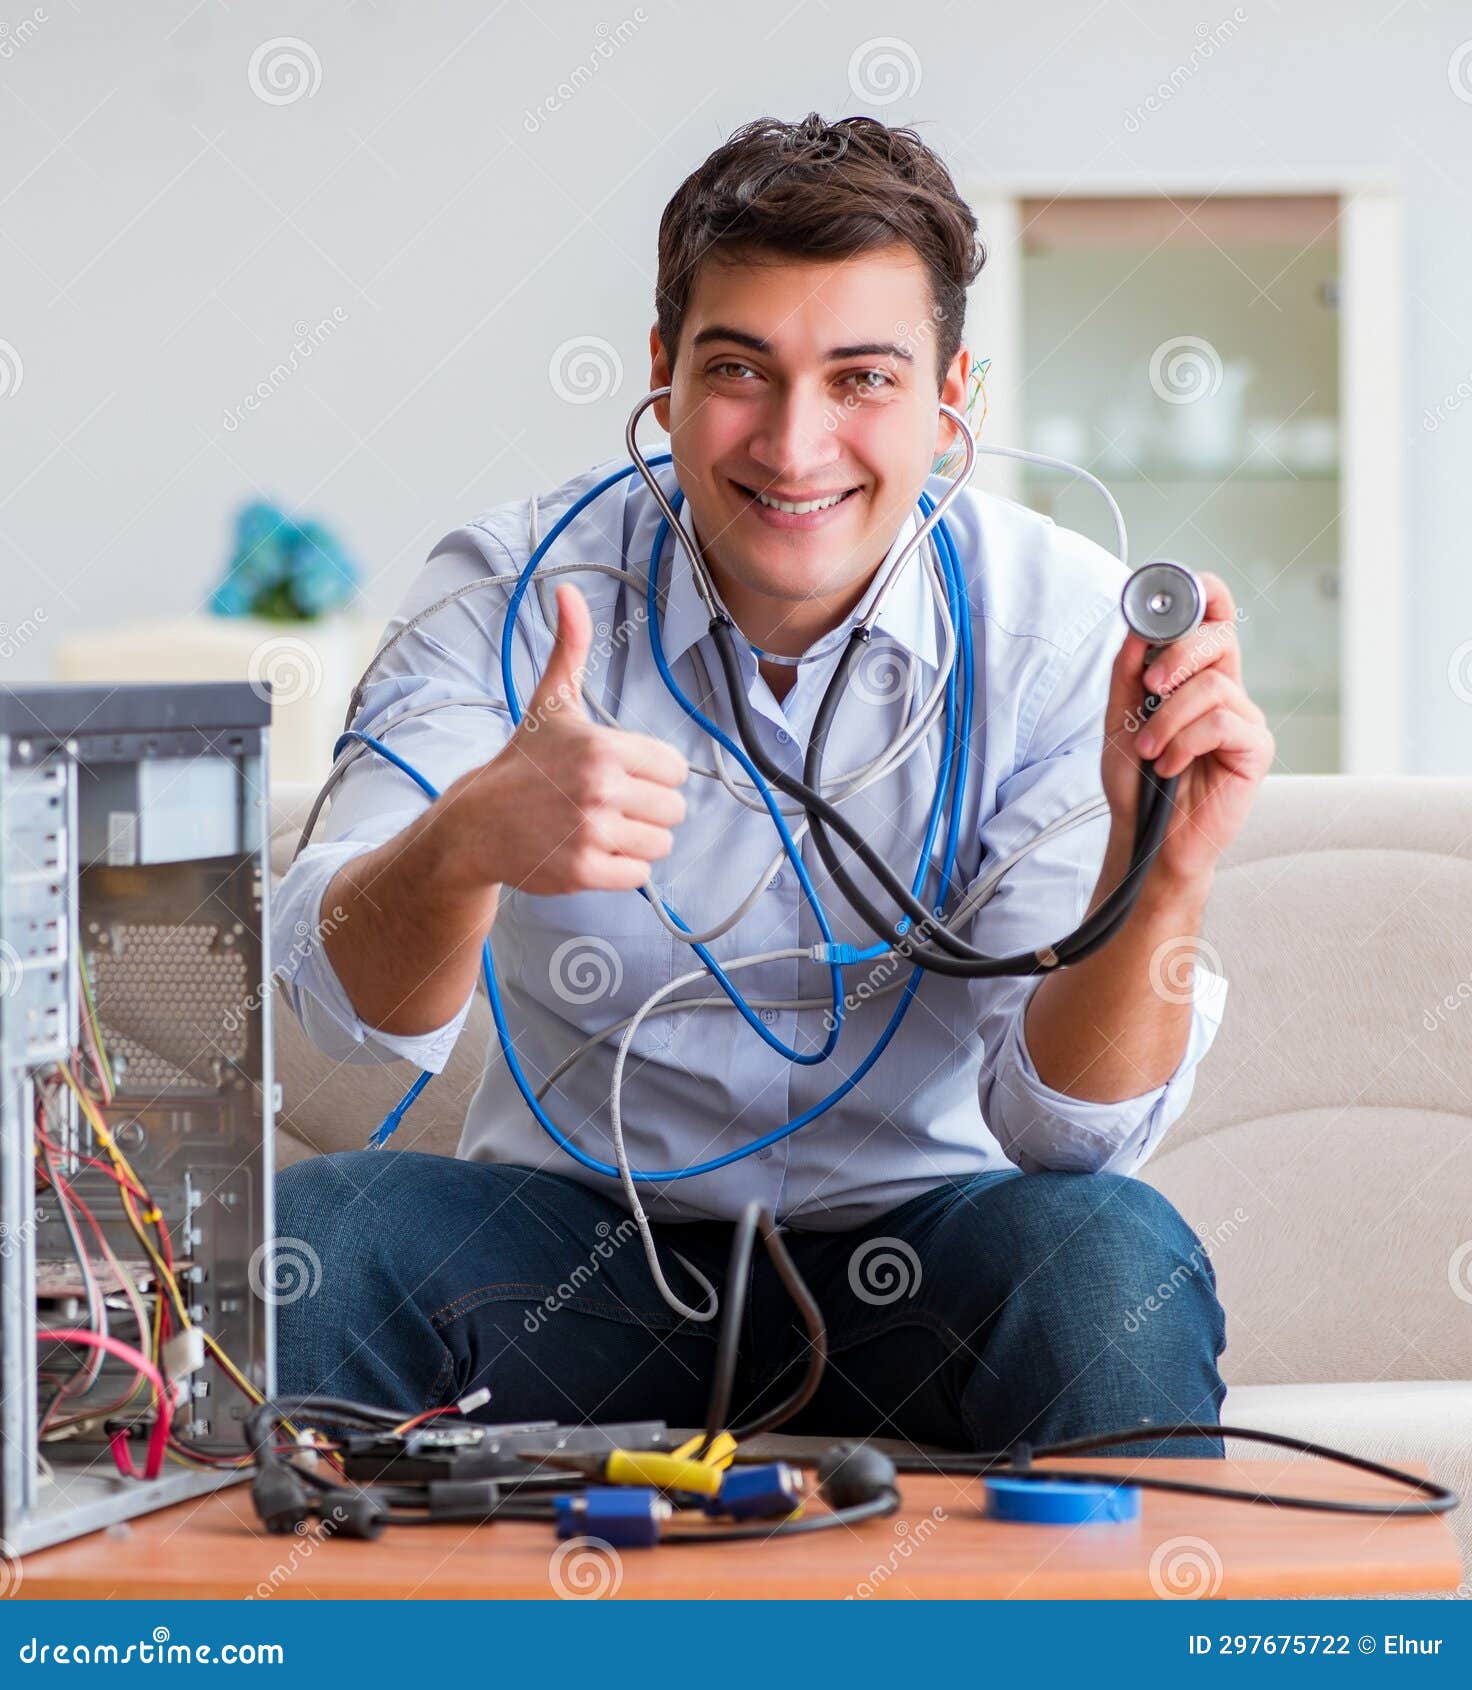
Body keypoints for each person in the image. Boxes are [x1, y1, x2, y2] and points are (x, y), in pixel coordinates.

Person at [271, 113, 1273, 1457]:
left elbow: (1067, 1126)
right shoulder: (512, 591)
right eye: (741, 369)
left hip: (923, 1259)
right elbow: (348, 1012)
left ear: (950, 397)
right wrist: (463, 844)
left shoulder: (1069, 634)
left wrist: (1164, 879)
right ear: (663, 374)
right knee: (320, 1245)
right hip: (579, 1261)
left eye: (862, 378)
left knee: (1109, 1254)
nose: (795, 448)